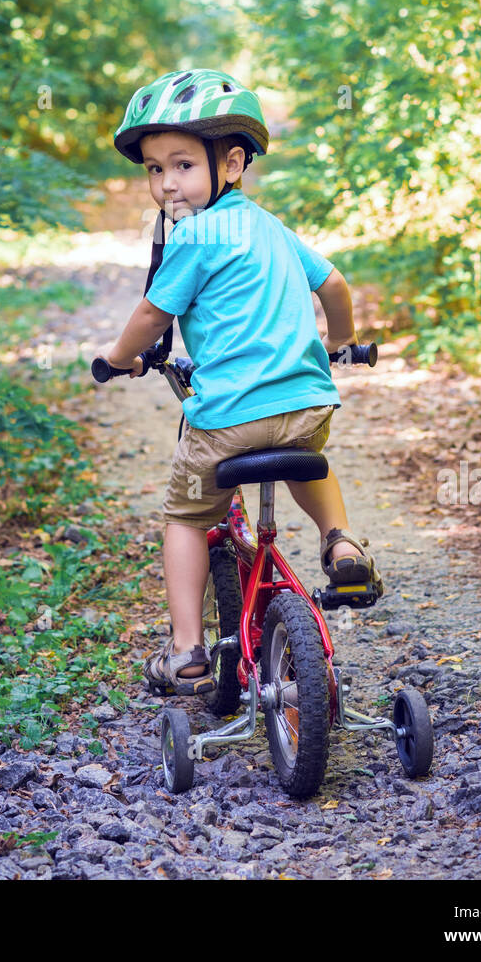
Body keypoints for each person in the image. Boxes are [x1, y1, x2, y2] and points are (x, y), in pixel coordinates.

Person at [100, 67, 382, 696]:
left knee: (183, 516)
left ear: (230, 163)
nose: (166, 182)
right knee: (306, 456)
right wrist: (339, 344)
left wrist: (118, 358)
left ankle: (188, 652)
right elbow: (333, 284)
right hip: (308, 402)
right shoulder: (269, 225)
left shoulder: (196, 234)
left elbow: (152, 314)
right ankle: (340, 544)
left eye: (181, 165)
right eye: (153, 169)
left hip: (229, 416)